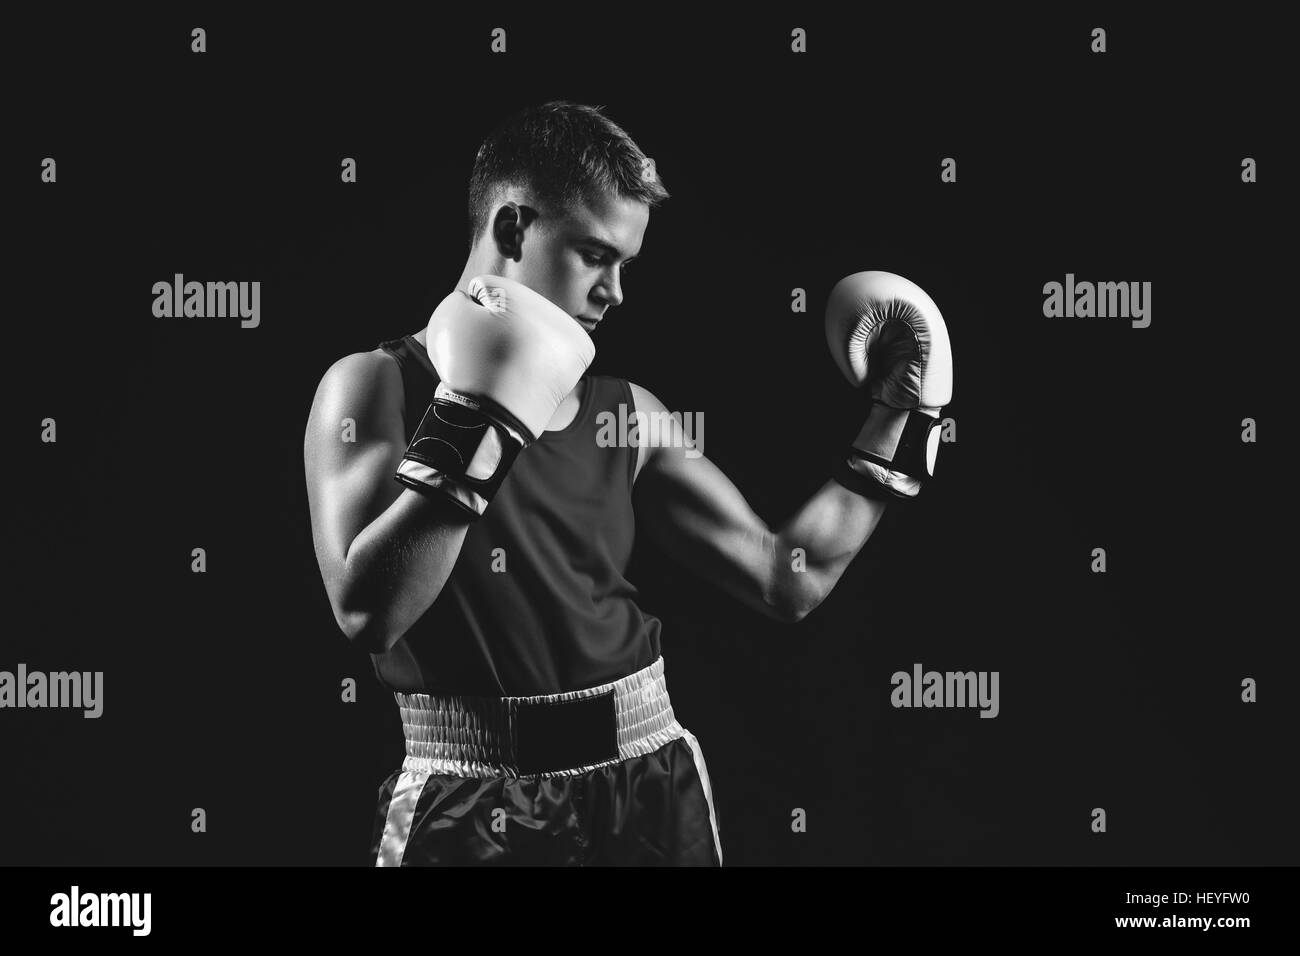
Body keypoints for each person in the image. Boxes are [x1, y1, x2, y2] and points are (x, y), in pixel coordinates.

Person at [303, 101, 952, 866]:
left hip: (646, 782)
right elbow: (367, 612)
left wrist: (903, 417)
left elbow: (787, 578)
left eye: (626, 264)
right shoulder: (375, 387)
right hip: (469, 800)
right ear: (513, 230)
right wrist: (478, 416)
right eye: (594, 255)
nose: (616, 291)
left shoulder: (627, 415)